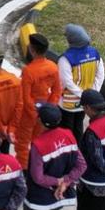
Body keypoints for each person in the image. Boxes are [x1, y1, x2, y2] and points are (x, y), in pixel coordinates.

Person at [14, 33, 62, 165]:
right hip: (45, 111)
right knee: (41, 142)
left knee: (22, 144)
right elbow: (57, 91)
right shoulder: (53, 66)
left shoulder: (29, 71)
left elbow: (25, 96)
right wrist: (48, 111)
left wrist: (34, 113)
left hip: (29, 114)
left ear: (32, 50)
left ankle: (24, 171)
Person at [57, 24, 104, 141]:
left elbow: (66, 82)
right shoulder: (95, 54)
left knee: (66, 131)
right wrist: (91, 93)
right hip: (85, 104)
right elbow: (100, 75)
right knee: (78, 128)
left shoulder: (66, 59)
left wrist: (82, 94)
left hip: (68, 103)